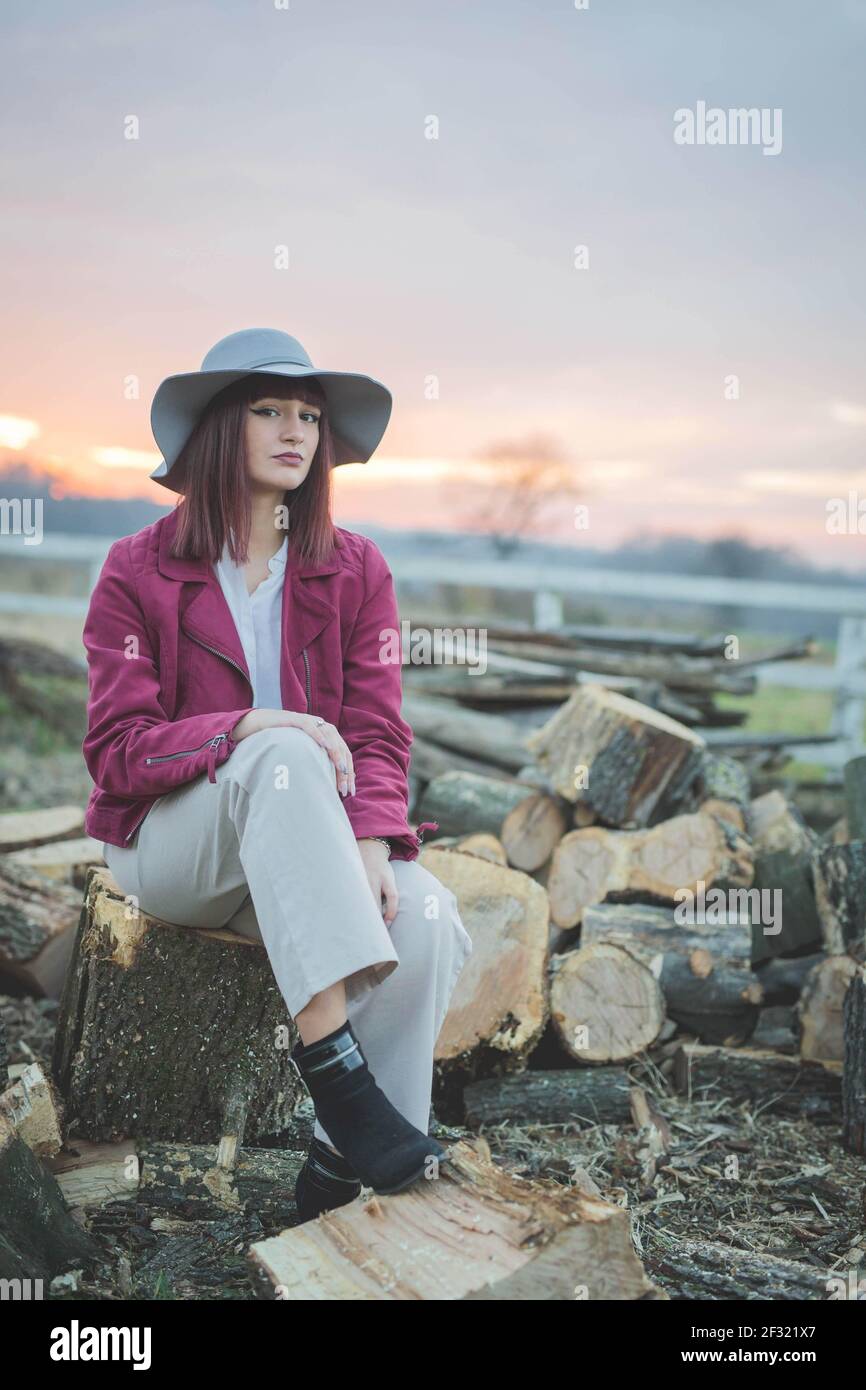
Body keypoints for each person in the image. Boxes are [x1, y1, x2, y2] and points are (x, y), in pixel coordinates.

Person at [82, 327, 473, 1221]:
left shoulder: (357, 568)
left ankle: (344, 1188)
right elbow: (118, 750)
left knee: (429, 916)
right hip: (175, 851)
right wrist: (252, 728)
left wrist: (374, 841)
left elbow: (377, 731)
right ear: (222, 425)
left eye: (309, 414)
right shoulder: (136, 570)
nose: (296, 430)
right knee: (287, 750)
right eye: (268, 409)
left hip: (305, 846)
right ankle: (337, 1077)